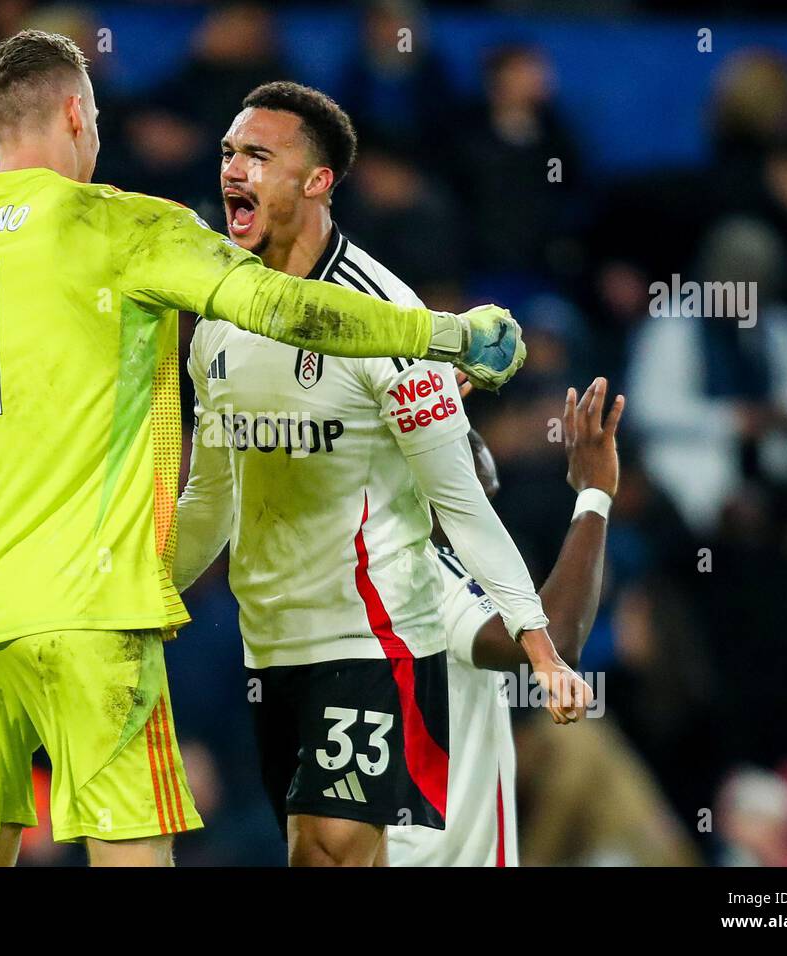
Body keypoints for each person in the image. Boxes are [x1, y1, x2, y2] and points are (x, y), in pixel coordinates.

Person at [0, 31, 524, 869]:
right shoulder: (128, 228)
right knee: (130, 849)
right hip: (91, 610)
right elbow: (290, 310)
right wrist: (445, 334)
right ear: (75, 115)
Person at [172, 82, 590, 867]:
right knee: (313, 851)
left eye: (259, 155)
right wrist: (152, 592)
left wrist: (539, 649)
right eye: (229, 152)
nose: (234, 169)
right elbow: (212, 495)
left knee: (330, 852)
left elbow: (462, 504)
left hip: (376, 633)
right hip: (271, 641)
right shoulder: (217, 316)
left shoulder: (385, 319)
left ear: (317, 180)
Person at [388, 377, 622, 866]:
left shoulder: (366, 557)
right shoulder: (424, 571)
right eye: (450, 431)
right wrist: (595, 493)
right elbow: (557, 642)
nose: (470, 438)